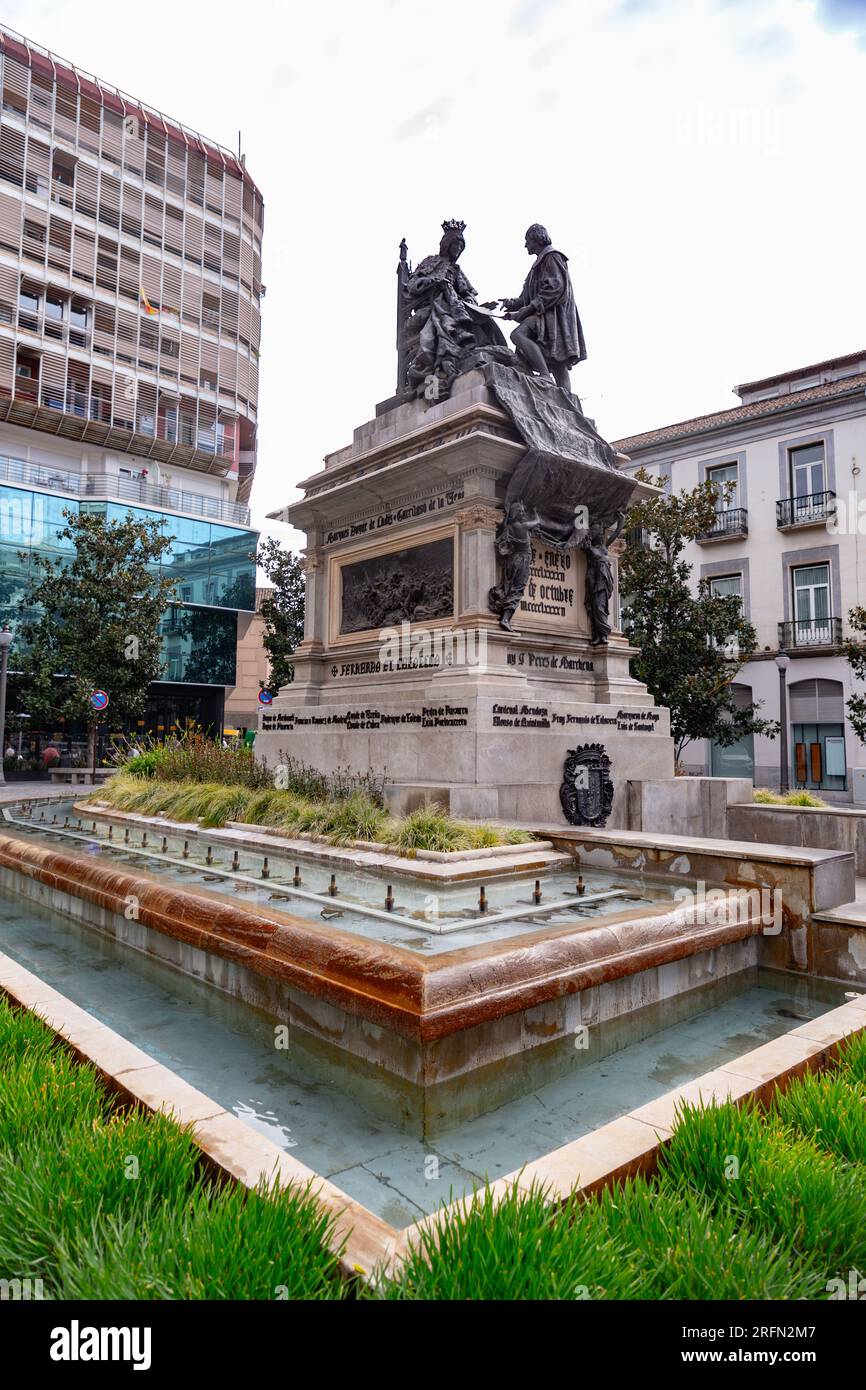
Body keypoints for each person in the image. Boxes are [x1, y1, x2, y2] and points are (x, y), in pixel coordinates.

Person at [404, 220, 506, 399]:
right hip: (432, 305)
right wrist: (435, 283)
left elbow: (467, 293)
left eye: (461, 247)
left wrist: (478, 306)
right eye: (455, 245)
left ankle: (474, 353)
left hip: (456, 307)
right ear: (447, 244)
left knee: (483, 320)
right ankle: (448, 361)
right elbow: (412, 286)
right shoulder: (431, 262)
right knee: (446, 314)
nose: (457, 250)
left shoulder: (457, 270)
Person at [499, 224, 586, 394]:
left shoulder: (552, 257)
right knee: (559, 366)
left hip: (552, 317)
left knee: (518, 335)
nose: (525, 246)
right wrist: (512, 304)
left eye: (527, 241)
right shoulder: (537, 265)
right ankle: (567, 405)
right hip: (544, 314)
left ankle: (545, 375)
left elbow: (555, 287)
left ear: (536, 239)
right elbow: (526, 296)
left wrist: (527, 309)